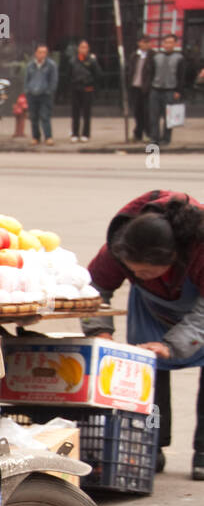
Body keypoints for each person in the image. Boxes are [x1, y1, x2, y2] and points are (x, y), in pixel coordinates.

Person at [81, 191, 204, 479]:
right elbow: (92, 289)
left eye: (147, 270)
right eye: (134, 270)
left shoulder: (199, 248)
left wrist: (172, 345)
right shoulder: (120, 245)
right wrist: (99, 330)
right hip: (150, 306)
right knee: (148, 366)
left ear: (174, 257)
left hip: (198, 305)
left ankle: (203, 450)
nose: (139, 273)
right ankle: (151, 445)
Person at [150, 34, 186, 145]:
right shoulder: (156, 57)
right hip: (156, 89)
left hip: (170, 90)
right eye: (166, 42)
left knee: (168, 117)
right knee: (153, 116)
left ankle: (166, 138)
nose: (168, 45)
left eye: (170, 42)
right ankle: (154, 138)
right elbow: (151, 72)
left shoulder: (179, 58)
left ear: (175, 44)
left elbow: (181, 76)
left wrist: (178, 91)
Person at [24, 43, 58, 145]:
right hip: (32, 94)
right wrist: (27, 91)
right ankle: (35, 137)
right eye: (40, 52)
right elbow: (27, 79)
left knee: (45, 116)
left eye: (44, 52)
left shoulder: (50, 65)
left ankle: (48, 136)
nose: (42, 55)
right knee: (33, 117)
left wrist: (49, 91)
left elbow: (53, 80)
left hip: (45, 94)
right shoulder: (31, 65)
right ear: (36, 53)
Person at [69, 40, 99, 142]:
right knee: (75, 113)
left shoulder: (91, 60)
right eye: (81, 47)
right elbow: (69, 74)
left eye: (85, 47)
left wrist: (91, 83)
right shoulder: (73, 60)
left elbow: (98, 74)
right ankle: (75, 133)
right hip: (76, 88)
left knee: (86, 113)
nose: (83, 49)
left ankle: (86, 134)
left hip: (87, 88)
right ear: (78, 48)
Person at [129, 35, 155, 141]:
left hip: (147, 88)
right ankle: (138, 133)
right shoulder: (135, 55)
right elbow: (131, 71)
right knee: (137, 111)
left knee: (147, 112)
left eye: (147, 42)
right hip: (135, 86)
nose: (145, 44)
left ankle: (149, 132)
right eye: (143, 42)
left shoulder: (153, 56)